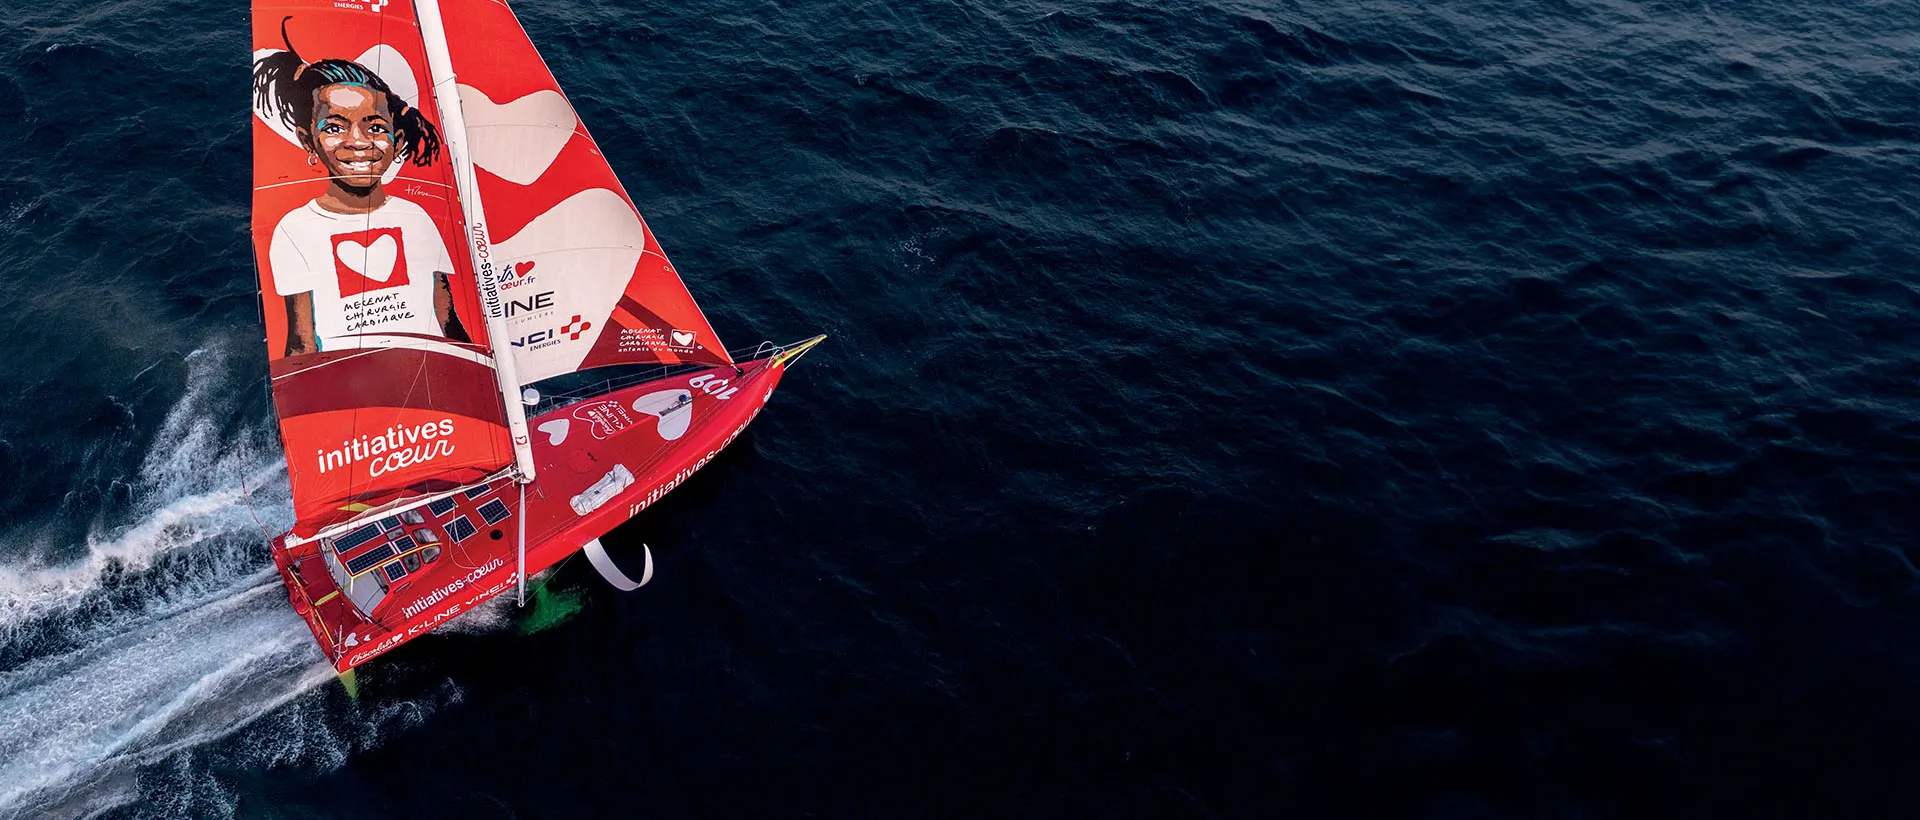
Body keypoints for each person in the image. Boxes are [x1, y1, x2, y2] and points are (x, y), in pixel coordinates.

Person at [253, 18, 466, 356]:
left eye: (376, 127)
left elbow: (447, 319)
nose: (358, 142)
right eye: (335, 126)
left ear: (396, 141)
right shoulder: (293, 231)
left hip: (432, 378)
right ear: (309, 142)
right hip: (352, 392)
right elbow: (302, 343)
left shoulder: (418, 217)